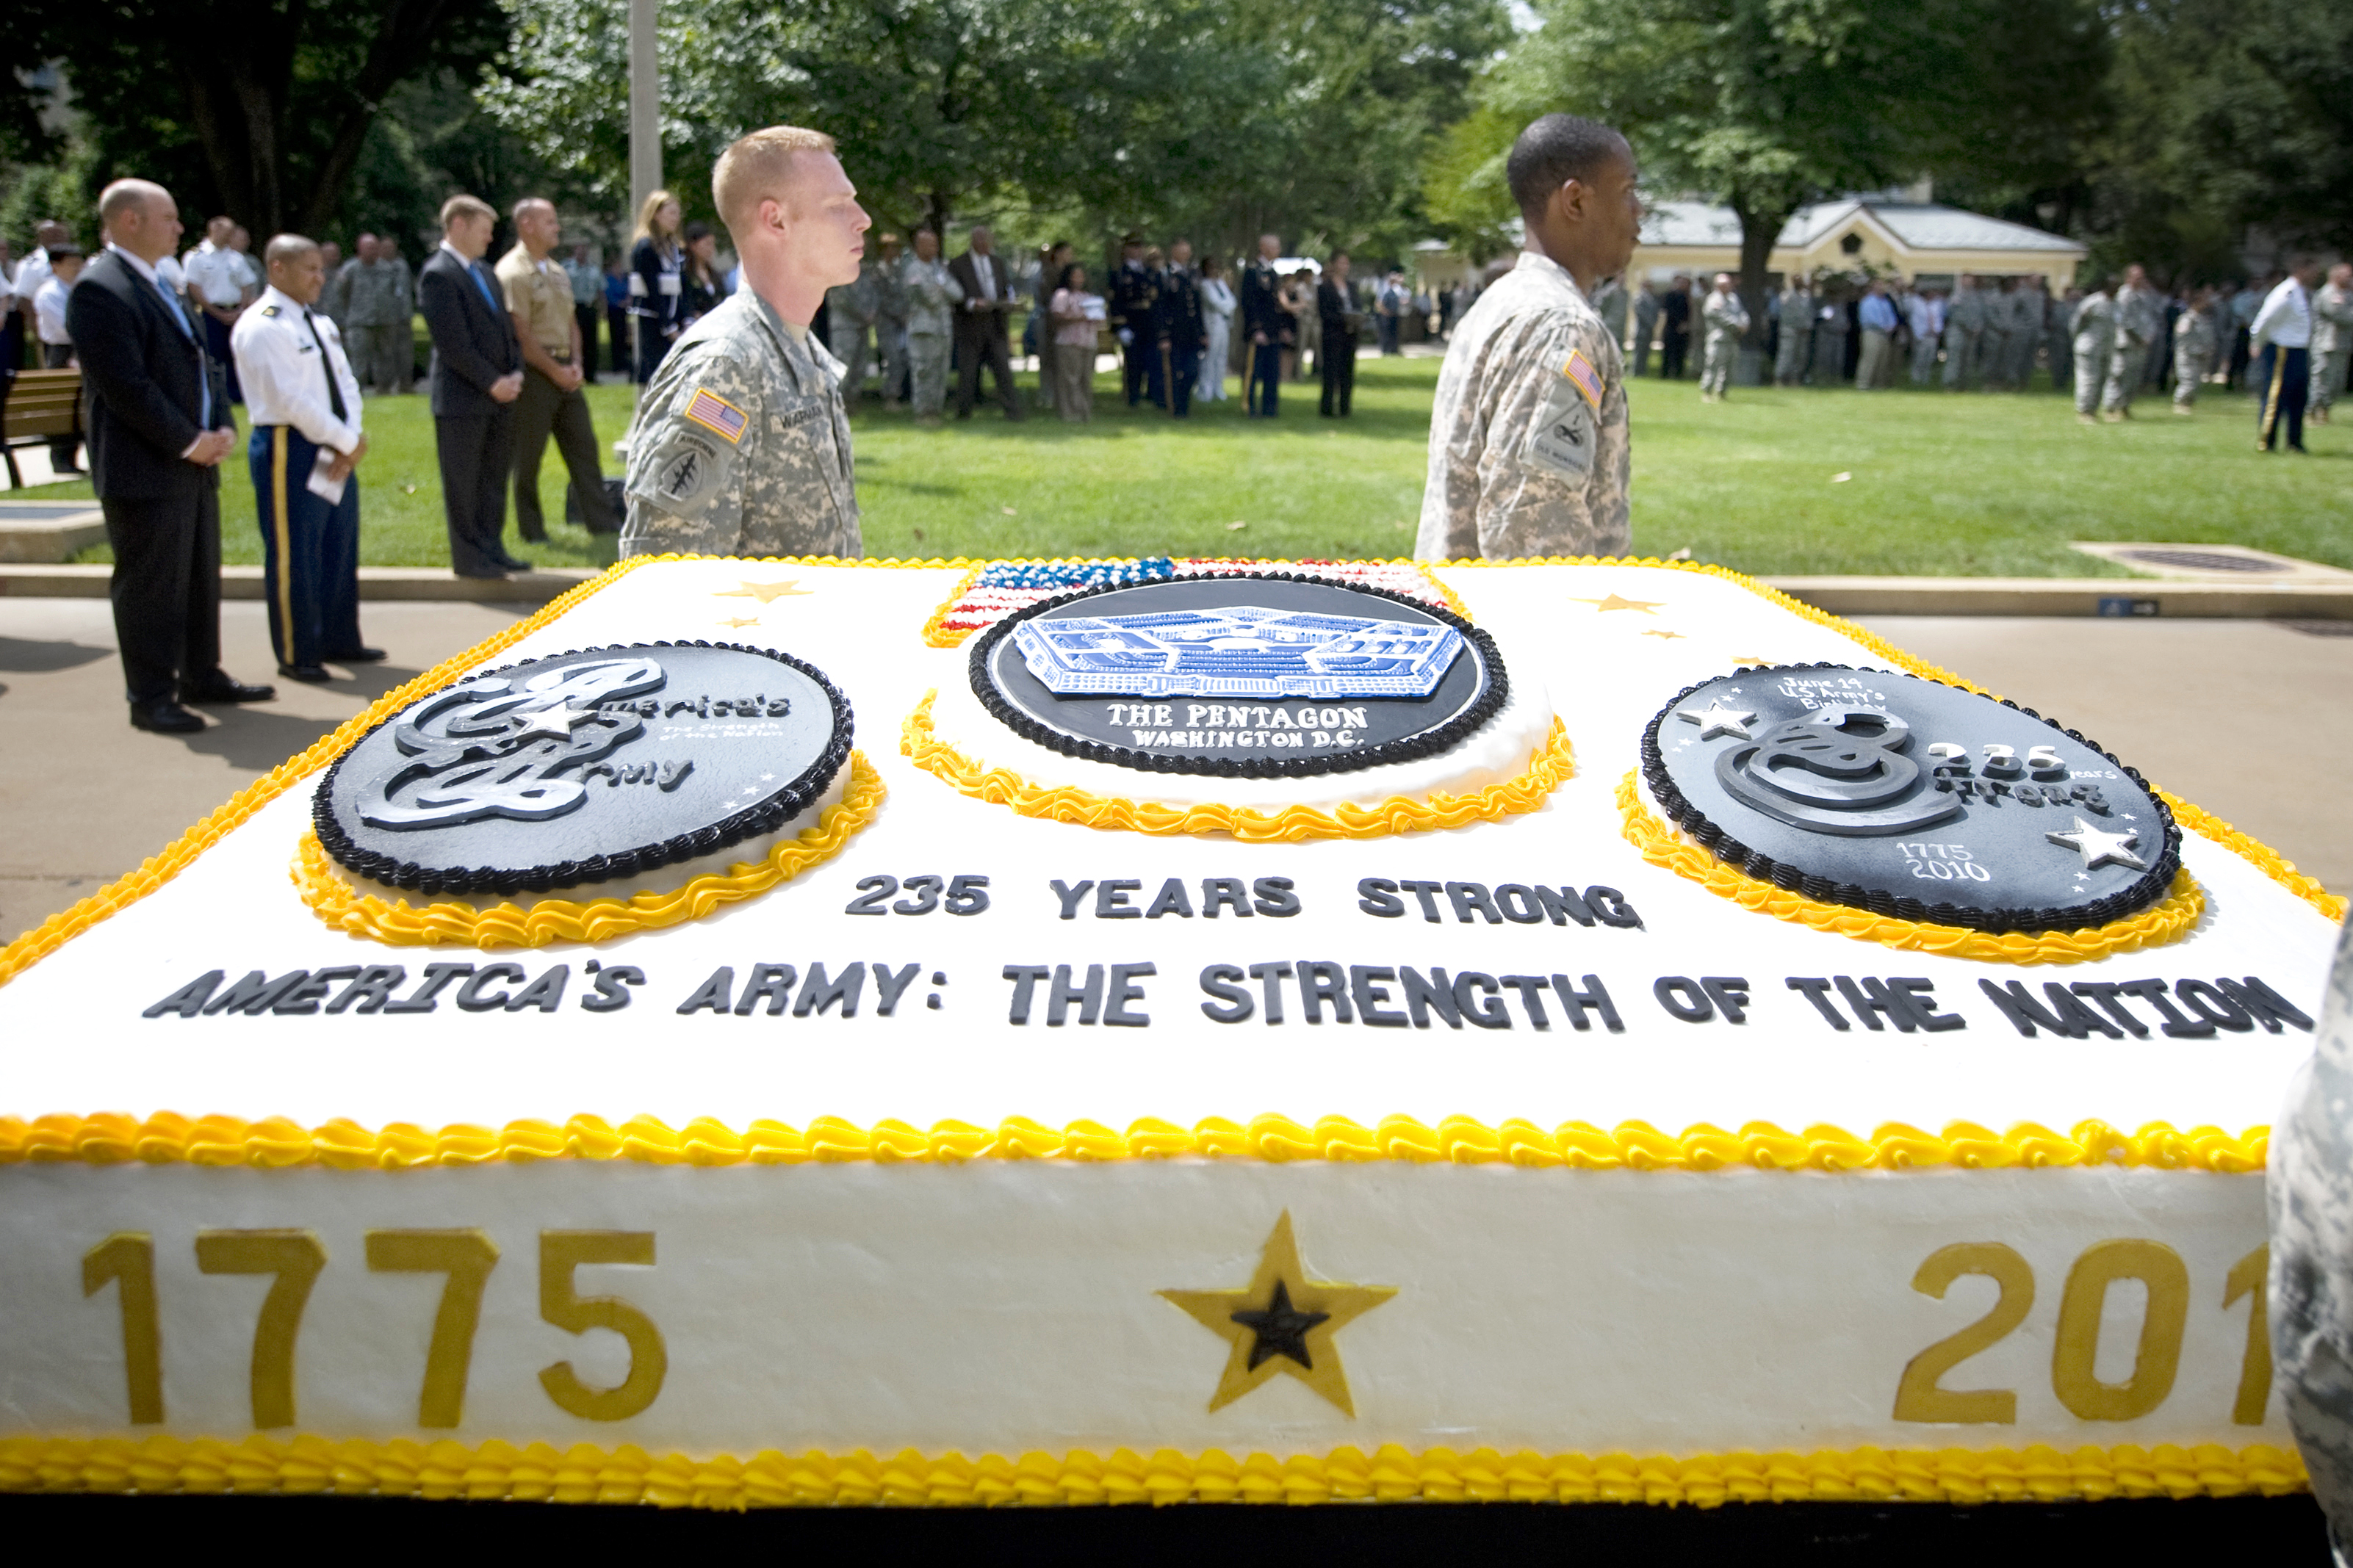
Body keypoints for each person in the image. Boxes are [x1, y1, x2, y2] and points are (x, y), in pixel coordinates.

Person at [70, 179, 268, 733]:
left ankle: (201, 673)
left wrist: (221, 425)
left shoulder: (163, 281)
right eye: (169, 217)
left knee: (198, 575)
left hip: (192, 460)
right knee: (151, 584)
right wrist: (188, 439)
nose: (180, 228)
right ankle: (151, 694)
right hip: (147, 465)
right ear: (130, 221)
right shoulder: (101, 288)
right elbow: (126, 385)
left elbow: (203, 360)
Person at [621, 123, 863, 558]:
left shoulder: (798, 349)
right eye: (838, 205)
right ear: (776, 220)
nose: (862, 219)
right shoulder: (724, 367)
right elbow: (666, 574)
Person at [1417, 112, 1637, 563]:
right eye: (1627, 192)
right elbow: (1532, 523)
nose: (1640, 212)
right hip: (1524, 621)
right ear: (1575, 202)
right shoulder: (1561, 324)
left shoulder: (1502, 301)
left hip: (1464, 610)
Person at [229, 234, 375, 682]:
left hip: (334, 443)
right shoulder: (263, 325)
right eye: (310, 268)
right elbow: (290, 400)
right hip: (288, 446)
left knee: (337, 543)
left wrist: (348, 438)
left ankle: (339, 638)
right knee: (296, 551)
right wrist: (342, 439)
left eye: (320, 268)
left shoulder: (321, 323)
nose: (320, 277)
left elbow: (345, 383)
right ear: (277, 268)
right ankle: (299, 651)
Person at [497, 197, 617, 546]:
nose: (558, 227)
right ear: (527, 225)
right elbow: (521, 332)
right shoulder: (512, 272)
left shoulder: (558, 271)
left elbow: (572, 322)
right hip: (536, 372)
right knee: (529, 455)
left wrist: (576, 363)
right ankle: (532, 531)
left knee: (584, 448)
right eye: (550, 221)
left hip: (566, 367)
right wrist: (554, 369)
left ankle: (602, 525)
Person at [419, 194, 528, 578]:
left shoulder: (484, 272)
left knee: (493, 479)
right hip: (463, 401)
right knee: (464, 483)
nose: (488, 239)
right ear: (459, 225)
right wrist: (492, 382)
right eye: (483, 230)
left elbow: (506, 331)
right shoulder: (439, 274)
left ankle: (492, 547)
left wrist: (515, 372)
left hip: (500, 397)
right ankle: (469, 558)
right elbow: (454, 345)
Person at [948, 225, 1021, 421]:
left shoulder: (997, 263)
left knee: (1003, 369)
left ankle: (1012, 411)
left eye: (988, 240)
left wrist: (1008, 302)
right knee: (968, 372)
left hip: (995, 324)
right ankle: (964, 412)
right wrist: (972, 303)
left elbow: (1005, 288)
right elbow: (953, 295)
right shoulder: (958, 264)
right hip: (970, 326)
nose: (985, 244)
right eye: (981, 240)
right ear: (974, 241)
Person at [2249, 256, 2321, 454]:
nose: (2316, 274)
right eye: (2313, 269)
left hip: (2299, 350)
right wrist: (2257, 342)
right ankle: (2267, 440)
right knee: (2276, 396)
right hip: (2282, 349)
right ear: (2301, 269)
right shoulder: (2286, 292)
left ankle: (2294, 442)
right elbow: (2264, 319)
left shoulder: (2302, 293)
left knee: (2299, 397)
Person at [183, 216, 255, 403]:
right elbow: (194, 288)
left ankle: (237, 394)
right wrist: (218, 313)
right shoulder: (197, 257)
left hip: (236, 312)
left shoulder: (235, 258)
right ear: (214, 230)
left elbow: (247, 284)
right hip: (210, 313)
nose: (231, 236)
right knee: (214, 356)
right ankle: (217, 394)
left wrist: (240, 309)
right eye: (227, 232)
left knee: (236, 353)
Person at [901, 227, 962, 427]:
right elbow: (929, 299)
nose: (935, 248)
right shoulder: (913, 269)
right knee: (923, 371)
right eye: (930, 244)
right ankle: (922, 412)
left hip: (943, 328)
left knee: (940, 371)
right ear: (919, 246)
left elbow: (958, 293)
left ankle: (935, 411)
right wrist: (943, 289)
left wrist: (941, 288)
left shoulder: (939, 269)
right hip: (923, 329)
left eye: (936, 244)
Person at [32, 245, 84, 472]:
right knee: (62, 407)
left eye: (78, 263)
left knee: (80, 405)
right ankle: (61, 459)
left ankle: (74, 456)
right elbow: (67, 327)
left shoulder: (81, 288)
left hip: (81, 347)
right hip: (61, 351)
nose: (77, 268)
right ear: (55, 266)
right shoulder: (49, 293)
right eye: (71, 264)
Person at [341, 234, 415, 395]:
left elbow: (396, 293)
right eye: (369, 247)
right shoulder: (351, 269)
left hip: (386, 320)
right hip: (360, 321)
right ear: (360, 248)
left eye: (375, 247)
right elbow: (343, 293)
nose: (372, 251)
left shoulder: (387, 269)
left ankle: (384, 389)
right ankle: (356, 390)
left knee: (385, 357)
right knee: (359, 358)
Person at [630, 189, 685, 383]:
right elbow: (653, 290)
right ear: (655, 214)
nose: (675, 219)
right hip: (654, 322)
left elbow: (681, 287)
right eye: (671, 213)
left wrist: (685, 318)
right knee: (655, 372)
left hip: (674, 317)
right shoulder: (645, 248)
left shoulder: (675, 247)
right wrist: (667, 326)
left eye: (677, 214)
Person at [2102, 264, 2161, 421]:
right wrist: (2140, 337)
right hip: (2126, 343)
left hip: (2141, 343)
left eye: (2142, 277)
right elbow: (2123, 320)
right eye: (2137, 277)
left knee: (2134, 378)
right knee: (2119, 375)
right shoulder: (2124, 295)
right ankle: (2111, 408)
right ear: (2128, 278)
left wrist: (2149, 335)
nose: (2141, 280)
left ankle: (2125, 407)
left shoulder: (2143, 296)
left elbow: (2150, 317)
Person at [824, 231, 877, 398]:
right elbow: (841, 300)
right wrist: (864, 315)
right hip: (845, 326)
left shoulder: (865, 269)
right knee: (842, 365)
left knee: (860, 365)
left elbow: (875, 293)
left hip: (862, 325)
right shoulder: (836, 268)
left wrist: (872, 313)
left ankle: (853, 400)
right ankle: (836, 401)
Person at [1109, 235, 1159, 408]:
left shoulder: (1149, 271)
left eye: (1140, 248)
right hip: (1130, 321)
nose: (1137, 251)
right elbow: (1115, 302)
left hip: (1148, 322)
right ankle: (1133, 396)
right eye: (1133, 247)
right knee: (1134, 362)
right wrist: (1119, 326)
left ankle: (1152, 395)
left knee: (1151, 359)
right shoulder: (1119, 273)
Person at [1157, 239, 1205, 419]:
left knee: (1192, 371)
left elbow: (1197, 307)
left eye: (1188, 251)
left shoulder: (1193, 274)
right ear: (1174, 252)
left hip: (1191, 334)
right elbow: (1160, 308)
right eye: (1183, 251)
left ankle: (1185, 402)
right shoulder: (1165, 274)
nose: (1187, 255)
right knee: (1175, 373)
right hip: (1173, 333)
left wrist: (1202, 333)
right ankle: (1176, 407)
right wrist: (1163, 336)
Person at [1241, 233, 1286, 416]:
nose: (1278, 250)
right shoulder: (1253, 272)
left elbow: (1277, 304)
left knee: (1272, 372)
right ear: (1264, 248)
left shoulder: (1273, 273)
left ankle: (1270, 408)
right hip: (1259, 332)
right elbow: (1249, 303)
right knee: (1254, 371)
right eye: (1275, 247)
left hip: (1273, 331)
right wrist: (1256, 329)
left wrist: (1282, 328)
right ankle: (1249, 405)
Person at [1048, 261, 1099, 422]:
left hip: (1088, 342)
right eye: (1075, 275)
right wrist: (1079, 317)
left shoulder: (1089, 297)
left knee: (1086, 379)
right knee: (1070, 379)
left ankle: (1084, 411)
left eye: (1081, 276)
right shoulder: (1062, 295)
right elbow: (1057, 317)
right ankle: (1069, 413)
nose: (1079, 279)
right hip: (1068, 342)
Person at [1316, 251, 1361, 418]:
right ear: (1334, 264)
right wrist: (1342, 318)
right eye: (1341, 263)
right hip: (1333, 334)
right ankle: (1327, 408)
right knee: (1331, 371)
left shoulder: (1352, 286)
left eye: (1347, 263)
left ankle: (1345, 407)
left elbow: (1357, 306)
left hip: (1350, 335)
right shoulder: (1325, 287)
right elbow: (1324, 312)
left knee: (1347, 371)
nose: (1345, 267)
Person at [1031, 239, 1071, 412]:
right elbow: (1045, 297)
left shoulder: (1069, 272)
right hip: (1047, 320)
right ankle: (1048, 395)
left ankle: (1063, 396)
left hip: (1065, 323)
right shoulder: (1046, 272)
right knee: (1047, 358)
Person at [2310, 262, 2352, 425]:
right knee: (2321, 380)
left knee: (2336, 382)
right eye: (2347, 276)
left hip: (2342, 344)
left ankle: (2324, 410)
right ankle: (2312, 411)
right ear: (2336, 276)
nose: (2350, 279)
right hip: (2326, 344)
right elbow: (2340, 316)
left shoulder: (2346, 294)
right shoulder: (2329, 293)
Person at [2069, 277, 2114, 425]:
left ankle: (2093, 410)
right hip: (2089, 347)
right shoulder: (2093, 302)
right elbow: (2077, 323)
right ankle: (2084, 411)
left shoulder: (2117, 304)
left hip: (2106, 348)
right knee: (2089, 380)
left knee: (2101, 380)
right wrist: (2079, 340)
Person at [1698, 272, 1749, 402]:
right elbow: (1719, 317)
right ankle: (1707, 392)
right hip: (1718, 339)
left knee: (1730, 369)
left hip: (1732, 339)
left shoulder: (1733, 299)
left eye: (1728, 284)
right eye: (1723, 285)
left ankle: (1722, 393)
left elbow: (1742, 312)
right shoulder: (1713, 300)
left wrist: (1745, 323)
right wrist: (1737, 325)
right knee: (1713, 366)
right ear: (1717, 286)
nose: (1727, 287)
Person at [873, 232, 909, 407]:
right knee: (893, 359)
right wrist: (899, 315)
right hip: (886, 323)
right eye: (893, 247)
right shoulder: (878, 271)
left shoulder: (899, 270)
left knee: (902, 359)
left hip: (902, 323)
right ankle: (890, 397)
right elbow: (880, 299)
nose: (897, 251)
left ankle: (897, 395)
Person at [2171, 285, 2217, 415]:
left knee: (2196, 381)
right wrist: (2196, 349)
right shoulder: (2187, 319)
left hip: (2200, 356)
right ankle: (2180, 403)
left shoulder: (2203, 319)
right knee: (2188, 380)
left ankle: (2188, 404)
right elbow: (2183, 337)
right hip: (2187, 356)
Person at [563, 242, 605, 380]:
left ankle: (591, 375)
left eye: (585, 251)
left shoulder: (594, 269)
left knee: (591, 342)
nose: (582, 254)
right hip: (574, 308)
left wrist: (602, 308)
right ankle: (575, 373)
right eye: (579, 251)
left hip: (590, 307)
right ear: (574, 252)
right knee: (574, 341)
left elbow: (600, 290)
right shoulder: (565, 268)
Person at [1197, 254, 1233, 402]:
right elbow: (1215, 302)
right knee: (1210, 357)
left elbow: (1232, 301)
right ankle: (1206, 388)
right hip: (1212, 324)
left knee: (1221, 356)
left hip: (1224, 323)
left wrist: (1226, 307)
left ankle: (1218, 386)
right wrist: (1226, 306)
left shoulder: (1220, 283)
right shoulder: (1205, 285)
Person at [1941, 274, 1986, 389]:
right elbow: (1952, 314)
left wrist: (1978, 327)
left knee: (1968, 361)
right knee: (1954, 360)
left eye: (1971, 280)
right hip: (1957, 332)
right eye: (1966, 280)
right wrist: (1967, 327)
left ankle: (1964, 385)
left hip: (1972, 335)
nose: (1968, 283)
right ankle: (1950, 383)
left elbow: (1981, 314)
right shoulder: (1956, 296)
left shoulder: (1977, 297)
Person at [680, 221, 729, 328]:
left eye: (712, 244)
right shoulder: (685, 276)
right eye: (707, 244)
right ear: (693, 246)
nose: (711, 249)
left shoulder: (715, 275)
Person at [1772, 278, 1813, 386]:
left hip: (1803, 332)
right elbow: (1785, 314)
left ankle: (1795, 379)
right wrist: (1798, 325)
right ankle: (1779, 379)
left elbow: (1809, 312)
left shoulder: (1806, 295)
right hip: (1789, 330)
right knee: (1786, 355)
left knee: (1800, 356)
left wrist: (1807, 326)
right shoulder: (1786, 296)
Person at [1809, 288, 1848, 385]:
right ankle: (1822, 378)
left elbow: (1845, 320)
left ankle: (1836, 378)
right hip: (1827, 337)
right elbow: (1821, 321)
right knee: (1825, 358)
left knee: (1838, 358)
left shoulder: (1841, 307)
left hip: (1840, 337)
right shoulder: (1825, 308)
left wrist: (1846, 326)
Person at [1906, 285, 1942, 385]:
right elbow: (1914, 321)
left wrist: (1937, 331)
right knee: (1919, 358)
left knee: (1930, 358)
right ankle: (1916, 378)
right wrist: (1918, 334)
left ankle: (1926, 378)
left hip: (1933, 335)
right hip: (1922, 335)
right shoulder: (1917, 304)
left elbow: (1939, 319)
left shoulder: (1936, 305)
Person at [602, 253, 632, 379]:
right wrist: (619, 303)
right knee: (615, 337)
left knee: (624, 336)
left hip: (623, 311)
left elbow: (628, 291)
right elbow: (608, 295)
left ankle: (624, 362)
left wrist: (627, 301)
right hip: (614, 311)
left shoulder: (624, 279)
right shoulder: (609, 280)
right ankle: (616, 364)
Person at [1658, 275, 1691, 379]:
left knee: (1681, 353)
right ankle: (1665, 374)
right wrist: (1679, 324)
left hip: (1683, 330)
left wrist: (1686, 325)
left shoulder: (1686, 296)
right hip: (1671, 328)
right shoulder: (1670, 295)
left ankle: (1679, 374)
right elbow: (1669, 312)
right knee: (1668, 353)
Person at [316, 241, 346, 326]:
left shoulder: (344, 274)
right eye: (332, 254)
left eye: (336, 254)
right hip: (319, 319)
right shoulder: (314, 275)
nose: (335, 257)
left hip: (340, 321)